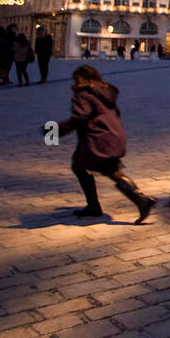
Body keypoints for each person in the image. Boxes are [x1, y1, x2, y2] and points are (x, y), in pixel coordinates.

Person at [53, 65, 155, 223]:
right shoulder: (104, 91)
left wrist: (54, 131)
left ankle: (99, 206)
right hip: (113, 136)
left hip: (98, 140)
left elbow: (80, 117)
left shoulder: (84, 95)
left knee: (79, 166)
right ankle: (140, 200)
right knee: (111, 170)